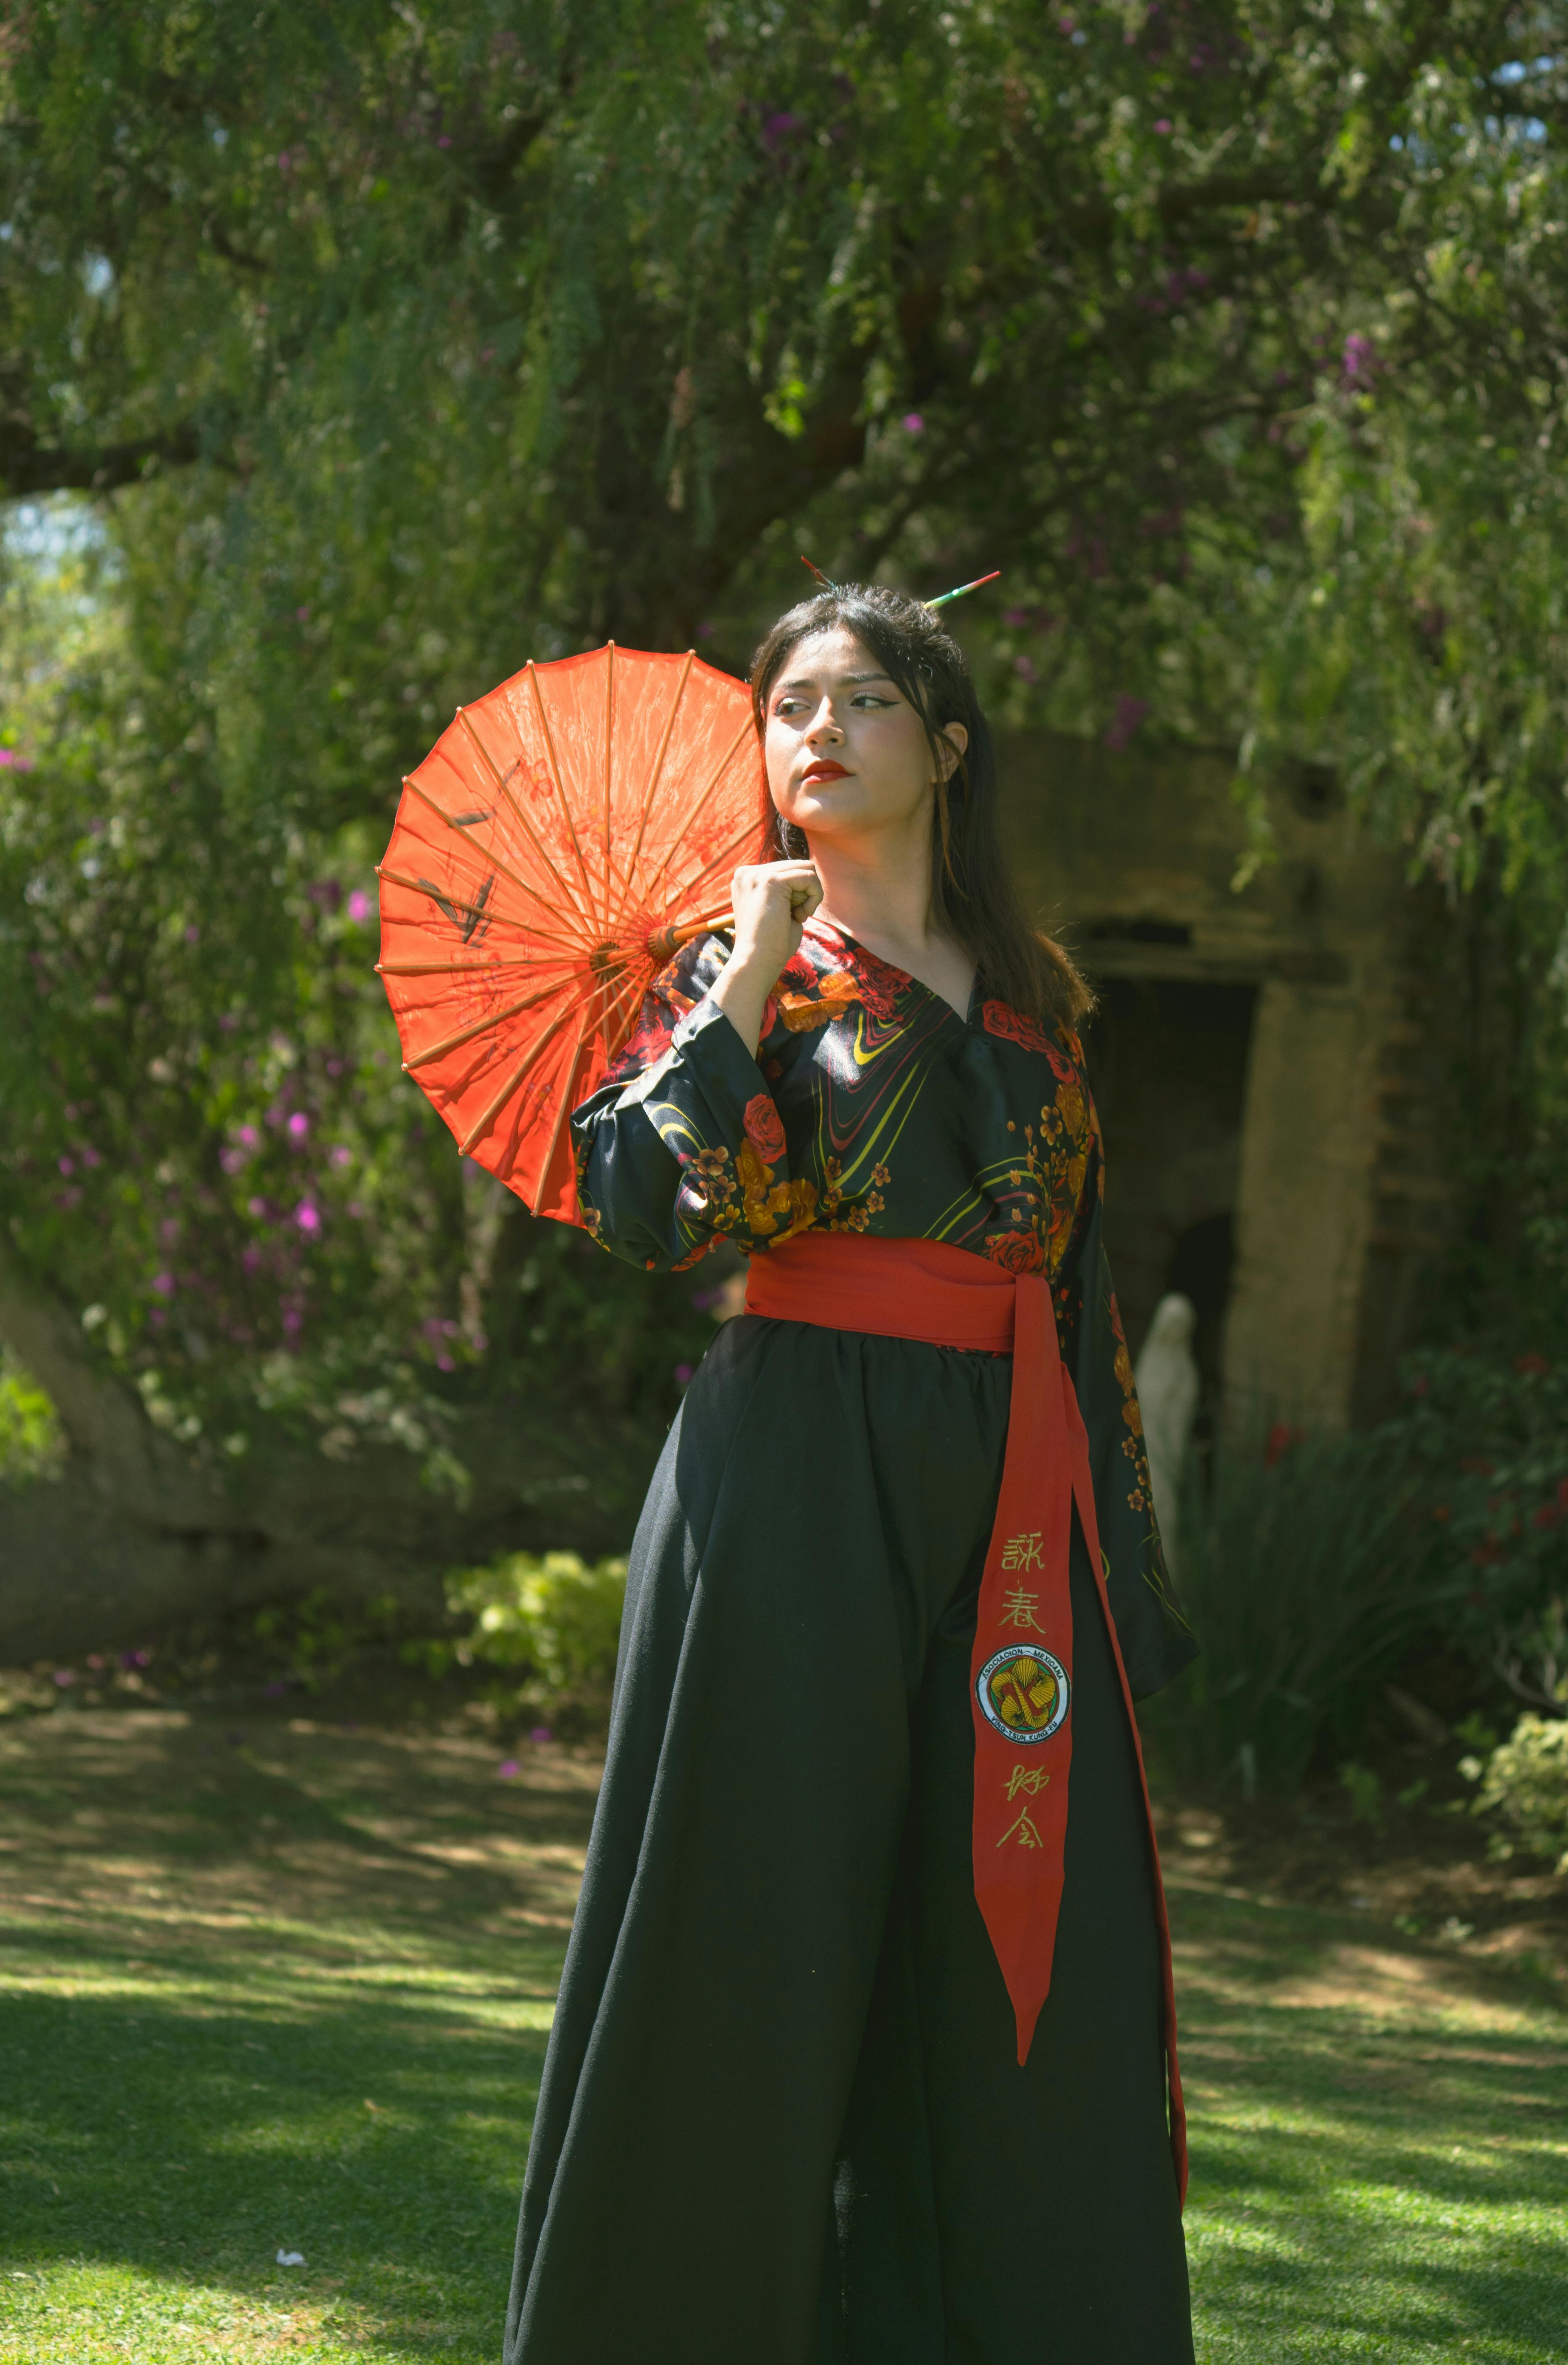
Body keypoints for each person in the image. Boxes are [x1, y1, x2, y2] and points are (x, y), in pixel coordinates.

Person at [503, 582, 1199, 2365]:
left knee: (1002, 1963)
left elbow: (1081, 1292)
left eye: (859, 698)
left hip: (1011, 1495)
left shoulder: (1039, 1007)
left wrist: (1119, 1572)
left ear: (943, 747)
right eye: (786, 703)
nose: (812, 727)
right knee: (749, 1921)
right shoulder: (728, 971)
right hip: (792, 1471)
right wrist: (736, 972)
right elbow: (642, 1210)